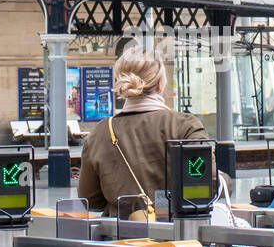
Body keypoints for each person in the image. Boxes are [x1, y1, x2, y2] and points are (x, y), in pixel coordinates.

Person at [78, 45, 206, 213]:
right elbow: (202, 186)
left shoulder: (99, 133)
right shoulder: (186, 126)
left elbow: (90, 200)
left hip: (120, 235)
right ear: (160, 84)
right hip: (178, 233)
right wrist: (223, 179)